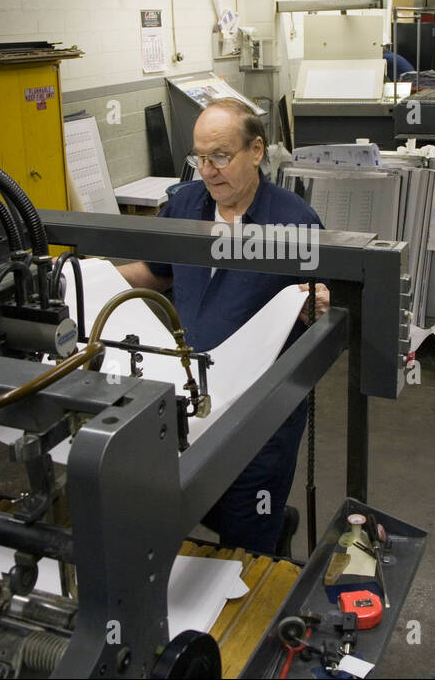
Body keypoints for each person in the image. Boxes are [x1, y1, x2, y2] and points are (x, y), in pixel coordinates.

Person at [118, 98, 329, 553]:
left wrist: (318, 304)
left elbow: (322, 299)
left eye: (221, 156)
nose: (209, 170)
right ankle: (275, 525)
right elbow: (158, 271)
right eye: (199, 158)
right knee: (185, 488)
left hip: (263, 405)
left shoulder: (294, 221)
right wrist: (92, 275)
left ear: (256, 151)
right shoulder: (186, 205)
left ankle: (264, 574)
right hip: (194, 389)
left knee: (246, 529)